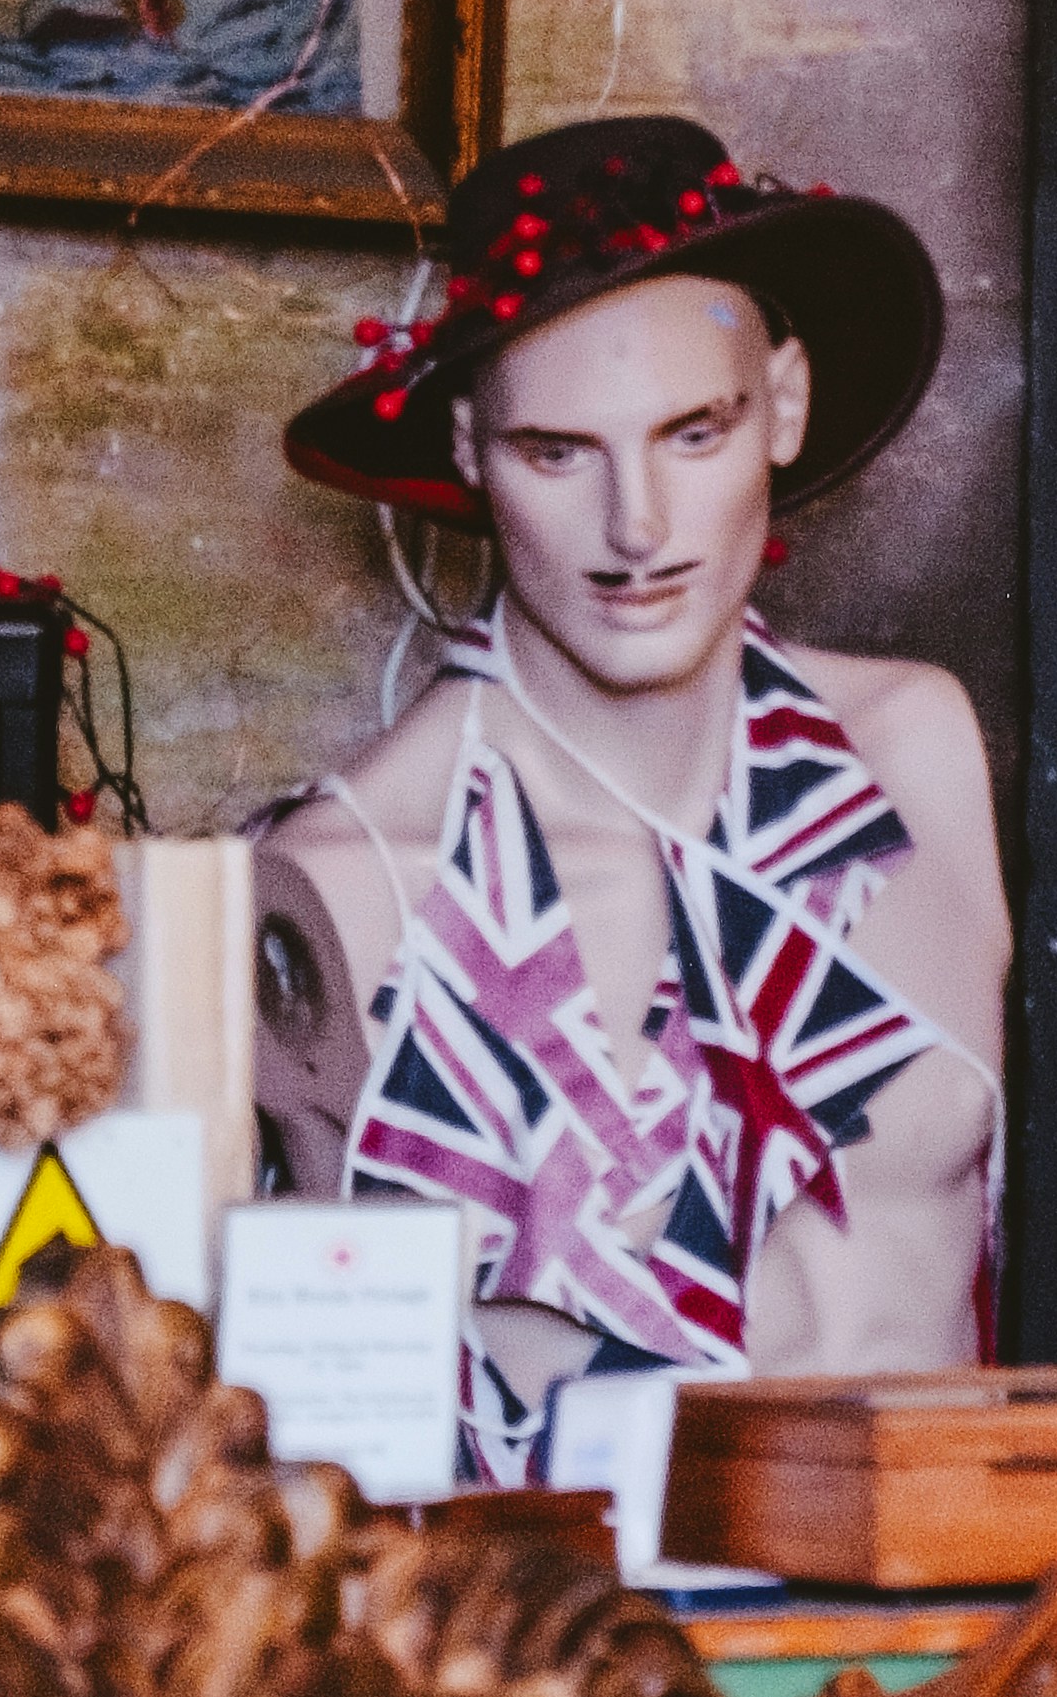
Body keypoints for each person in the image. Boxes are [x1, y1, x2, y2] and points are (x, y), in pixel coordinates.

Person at [265, 112, 1005, 1479]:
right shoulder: (356, 878)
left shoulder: (918, 748)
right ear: (469, 451)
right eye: (559, 450)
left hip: (963, 1651)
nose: (639, 528)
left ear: (781, 402)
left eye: (693, 429)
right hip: (582, 1675)